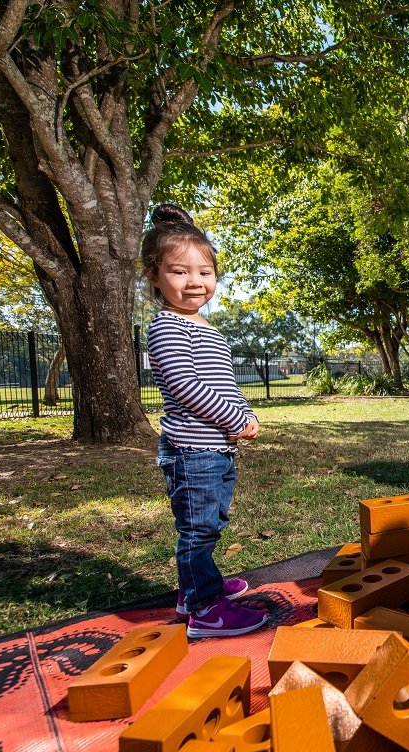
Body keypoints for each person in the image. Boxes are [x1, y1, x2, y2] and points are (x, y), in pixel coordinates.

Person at [143, 204, 268, 639]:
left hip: (214, 447)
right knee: (197, 531)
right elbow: (186, 386)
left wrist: (246, 414)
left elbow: (223, 383)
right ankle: (204, 610)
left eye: (204, 272)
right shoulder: (167, 327)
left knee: (211, 523)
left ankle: (195, 587)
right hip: (193, 449)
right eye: (179, 272)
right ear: (154, 276)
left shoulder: (205, 327)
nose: (194, 281)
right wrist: (234, 420)